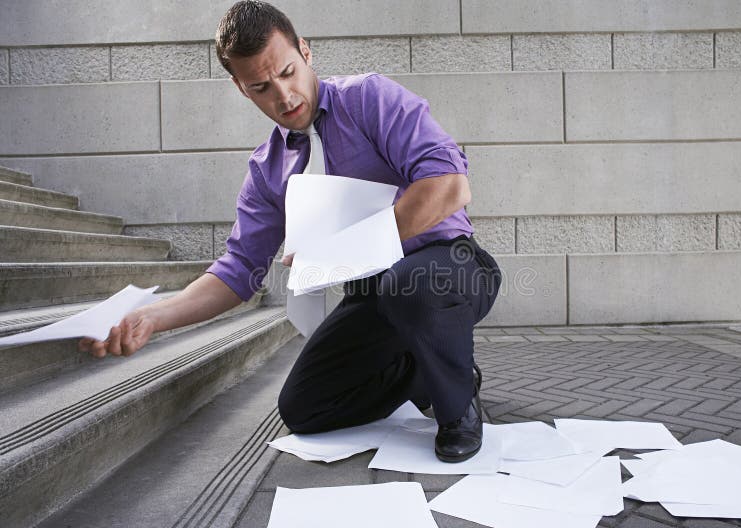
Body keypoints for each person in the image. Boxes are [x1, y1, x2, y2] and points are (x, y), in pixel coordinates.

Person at [79, 0, 501, 463]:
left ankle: (457, 403)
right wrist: (153, 317)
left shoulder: (369, 100)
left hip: (451, 267)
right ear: (242, 89)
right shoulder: (267, 170)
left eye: (287, 72)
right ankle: (434, 368)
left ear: (305, 51)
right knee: (304, 406)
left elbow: (449, 186)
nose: (283, 96)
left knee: (409, 286)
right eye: (261, 87)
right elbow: (237, 270)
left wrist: (342, 250)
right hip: (376, 292)